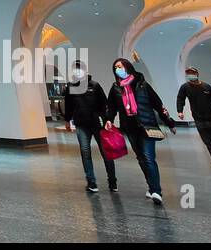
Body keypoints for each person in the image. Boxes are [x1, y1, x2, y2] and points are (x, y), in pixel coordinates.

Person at [105, 57, 171, 205]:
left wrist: (169, 122)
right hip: (130, 127)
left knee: (148, 157)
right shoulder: (115, 88)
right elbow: (112, 106)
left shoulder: (142, 84)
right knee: (141, 158)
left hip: (147, 125)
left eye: (120, 66)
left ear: (128, 67)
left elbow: (157, 104)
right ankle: (151, 186)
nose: (118, 70)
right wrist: (109, 119)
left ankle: (156, 191)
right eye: (115, 68)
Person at [63, 60, 116, 193]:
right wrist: (67, 120)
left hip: (97, 124)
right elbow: (68, 106)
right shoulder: (70, 87)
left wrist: (107, 120)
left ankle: (112, 181)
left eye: (79, 68)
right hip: (81, 124)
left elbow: (104, 104)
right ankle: (91, 182)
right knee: (85, 152)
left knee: (106, 152)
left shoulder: (94, 86)